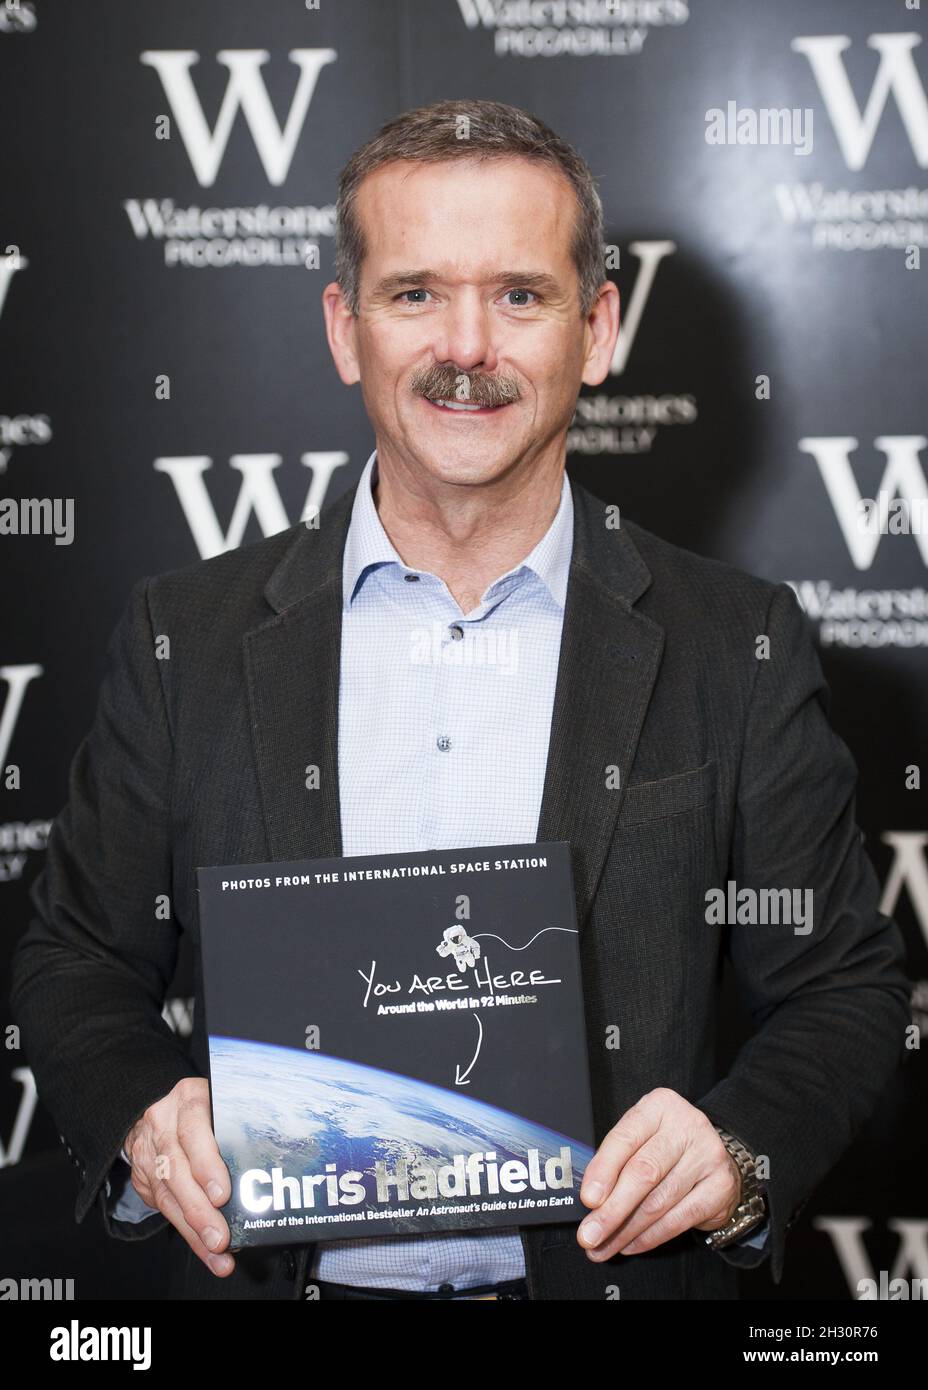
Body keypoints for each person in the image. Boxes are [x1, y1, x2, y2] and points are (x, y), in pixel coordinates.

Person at [10, 99, 911, 1301]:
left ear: (597, 329)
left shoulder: (733, 644)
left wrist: (736, 1152)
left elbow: (845, 991)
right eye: (416, 292)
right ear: (346, 328)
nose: (468, 345)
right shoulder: (187, 637)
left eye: (521, 296)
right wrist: (143, 1113)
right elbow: (74, 959)